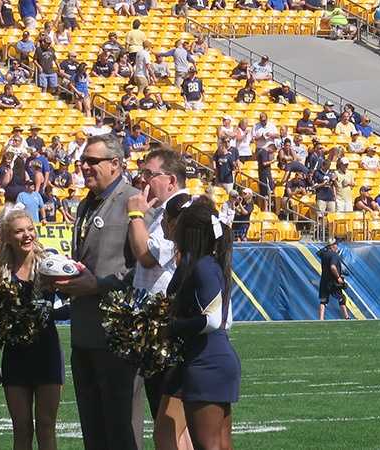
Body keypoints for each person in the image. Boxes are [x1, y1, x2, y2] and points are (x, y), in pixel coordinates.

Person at [54, 133, 144, 450]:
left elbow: (145, 268)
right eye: (83, 161)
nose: (84, 167)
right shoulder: (84, 204)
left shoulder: (134, 201)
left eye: (92, 161)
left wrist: (99, 284)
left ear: (115, 164)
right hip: (83, 332)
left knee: (121, 430)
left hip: (118, 335)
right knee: (93, 431)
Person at [124, 149, 193, 447]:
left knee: (169, 428)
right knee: (174, 428)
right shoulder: (167, 211)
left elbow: (147, 255)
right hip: (159, 327)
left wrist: (135, 214)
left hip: (168, 327)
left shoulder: (180, 211)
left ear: (171, 180)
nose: (143, 181)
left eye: (150, 174)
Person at [161, 195, 240, 450]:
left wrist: (171, 328)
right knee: (221, 444)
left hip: (206, 362)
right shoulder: (210, 264)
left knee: (208, 445)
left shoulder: (202, 267)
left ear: (190, 232)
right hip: (216, 357)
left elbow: (214, 319)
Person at [0, 210, 68, 450]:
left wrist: (47, 311)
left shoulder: (50, 263)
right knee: (21, 428)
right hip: (15, 356)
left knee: (46, 426)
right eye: (19, 231)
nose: (27, 235)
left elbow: (73, 303)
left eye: (30, 229)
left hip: (47, 353)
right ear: (7, 237)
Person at [317, 239, 350, 320]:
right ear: (332, 246)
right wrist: (338, 277)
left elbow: (319, 253)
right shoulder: (334, 255)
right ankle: (346, 317)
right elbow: (333, 267)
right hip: (333, 281)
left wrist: (327, 247)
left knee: (323, 301)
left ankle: (321, 319)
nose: (337, 246)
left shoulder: (324, 255)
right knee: (341, 298)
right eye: (335, 244)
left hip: (324, 281)